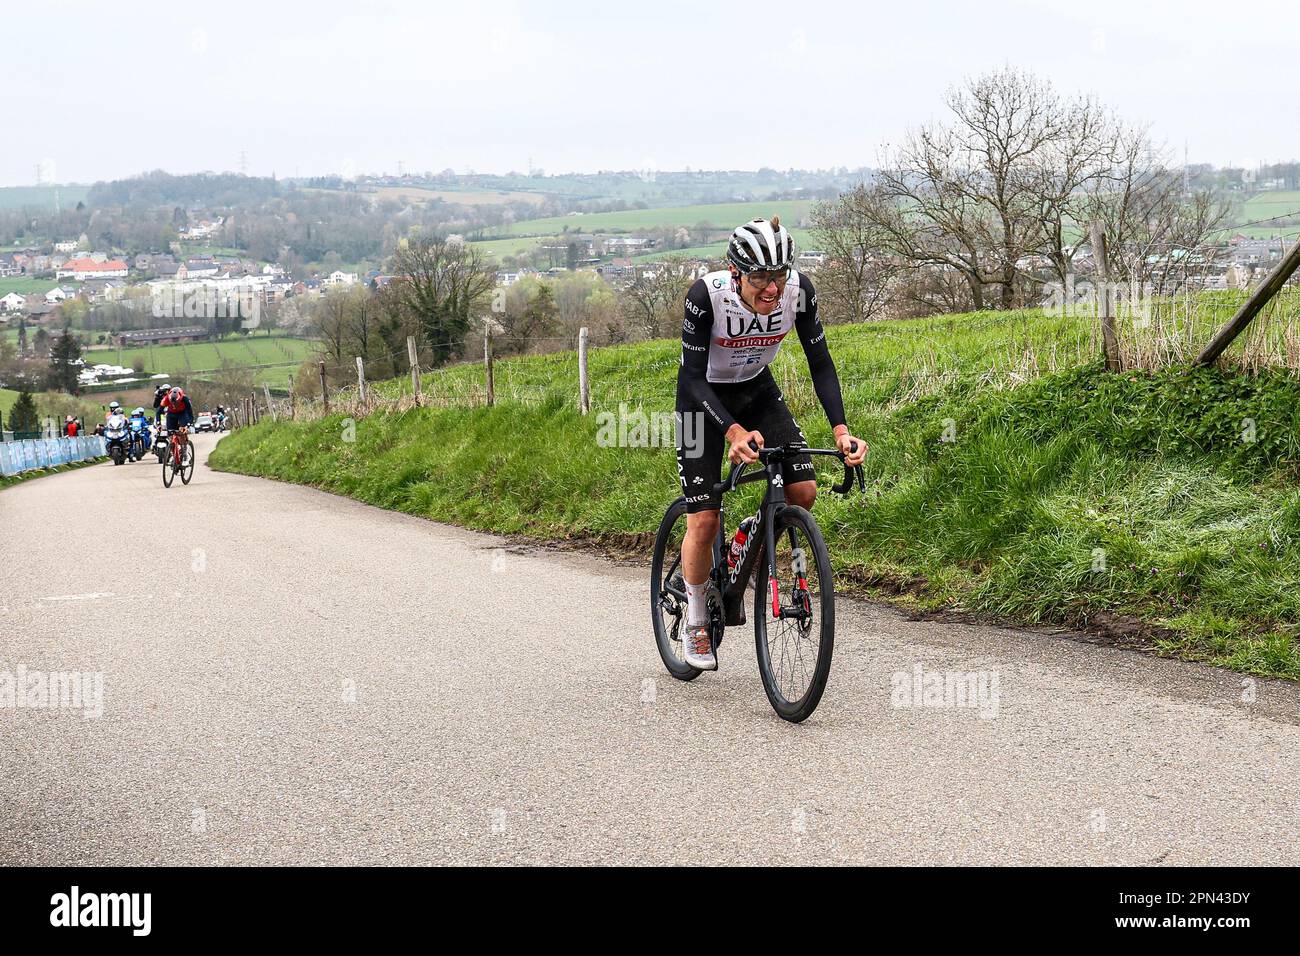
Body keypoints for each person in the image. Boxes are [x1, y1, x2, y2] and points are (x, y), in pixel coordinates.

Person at [674, 216, 867, 670]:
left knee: (802, 491)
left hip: (757, 390)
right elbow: (691, 378)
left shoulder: (800, 293)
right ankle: (697, 616)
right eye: (760, 277)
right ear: (737, 273)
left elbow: (820, 362)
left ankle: (750, 536)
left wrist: (841, 430)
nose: (771, 289)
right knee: (703, 519)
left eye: (779, 276)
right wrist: (732, 431)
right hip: (701, 401)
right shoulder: (706, 297)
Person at [158, 386, 194, 463]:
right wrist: (159, 424)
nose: (174, 404)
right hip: (171, 415)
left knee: (181, 431)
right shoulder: (166, 399)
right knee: (170, 435)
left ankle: (185, 455)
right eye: (172, 403)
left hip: (182, 414)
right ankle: (173, 454)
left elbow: (191, 415)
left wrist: (187, 425)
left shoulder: (185, 399)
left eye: (176, 403)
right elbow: (158, 412)